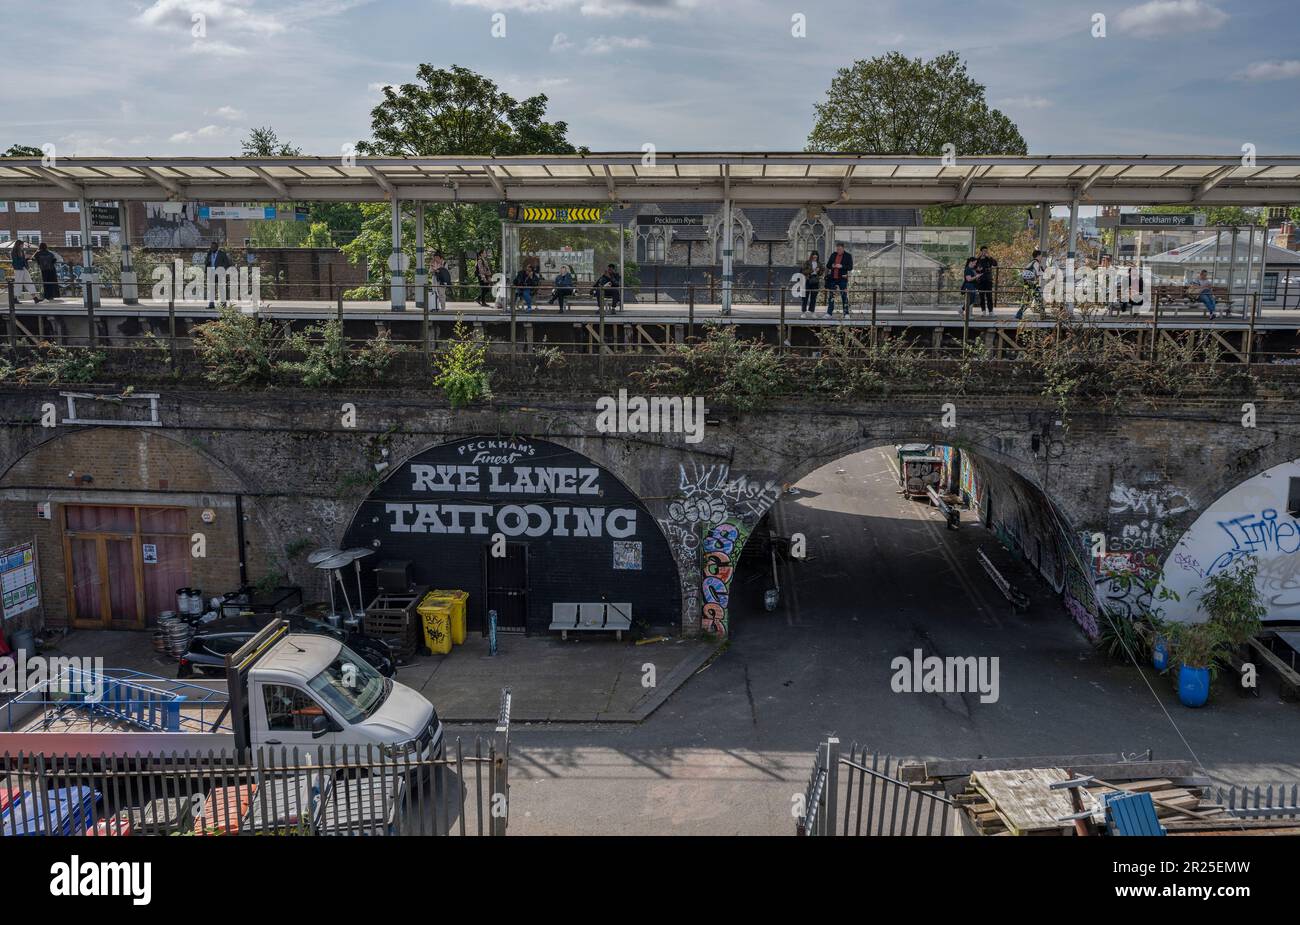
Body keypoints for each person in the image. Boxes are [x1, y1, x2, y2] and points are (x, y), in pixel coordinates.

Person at [1016, 249, 1045, 320]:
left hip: (1027, 283)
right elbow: (1039, 273)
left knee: (1028, 299)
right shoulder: (1036, 263)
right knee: (1038, 297)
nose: (1041, 257)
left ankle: (1019, 314)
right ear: (1038, 255)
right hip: (1032, 283)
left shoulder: (1031, 262)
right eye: (1041, 255)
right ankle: (1042, 314)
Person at [824, 242, 852, 316]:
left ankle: (846, 313)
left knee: (844, 296)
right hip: (833, 278)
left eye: (839, 249)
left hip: (842, 279)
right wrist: (832, 265)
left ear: (843, 248)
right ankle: (829, 313)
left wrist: (841, 266)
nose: (838, 250)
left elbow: (850, 267)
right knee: (831, 296)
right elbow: (828, 265)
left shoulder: (848, 256)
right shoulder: (833, 255)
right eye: (837, 249)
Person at [202, 241, 231, 308]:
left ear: (217, 247)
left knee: (221, 289)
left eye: (213, 247)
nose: (212, 248)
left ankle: (223, 304)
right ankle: (211, 304)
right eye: (211, 247)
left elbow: (227, 263)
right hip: (211, 273)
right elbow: (206, 263)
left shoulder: (222, 254)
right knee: (211, 289)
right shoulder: (209, 254)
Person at [974, 245, 998, 315]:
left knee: (989, 296)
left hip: (988, 280)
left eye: (986, 251)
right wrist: (977, 269)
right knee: (981, 296)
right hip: (980, 280)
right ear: (981, 252)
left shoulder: (989, 259)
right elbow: (974, 268)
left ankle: (990, 311)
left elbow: (995, 264)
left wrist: (990, 257)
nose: (985, 253)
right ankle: (983, 311)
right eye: (984, 251)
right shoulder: (977, 260)